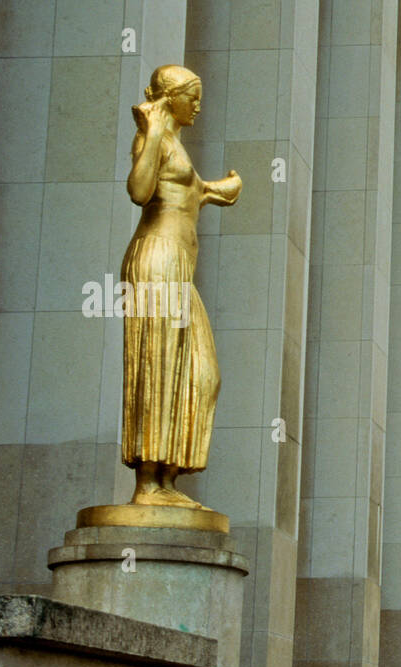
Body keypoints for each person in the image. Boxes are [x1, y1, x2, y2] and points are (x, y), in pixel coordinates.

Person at [121, 65, 242, 509]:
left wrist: (216, 191)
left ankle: (168, 479)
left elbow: (182, 193)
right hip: (157, 261)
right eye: (193, 95)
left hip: (178, 268)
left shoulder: (175, 146)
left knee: (201, 374)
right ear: (170, 99)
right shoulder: (153, 137)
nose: (198, 103)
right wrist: (152, 131)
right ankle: (147, 483)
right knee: (158, 365)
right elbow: (139, 189)